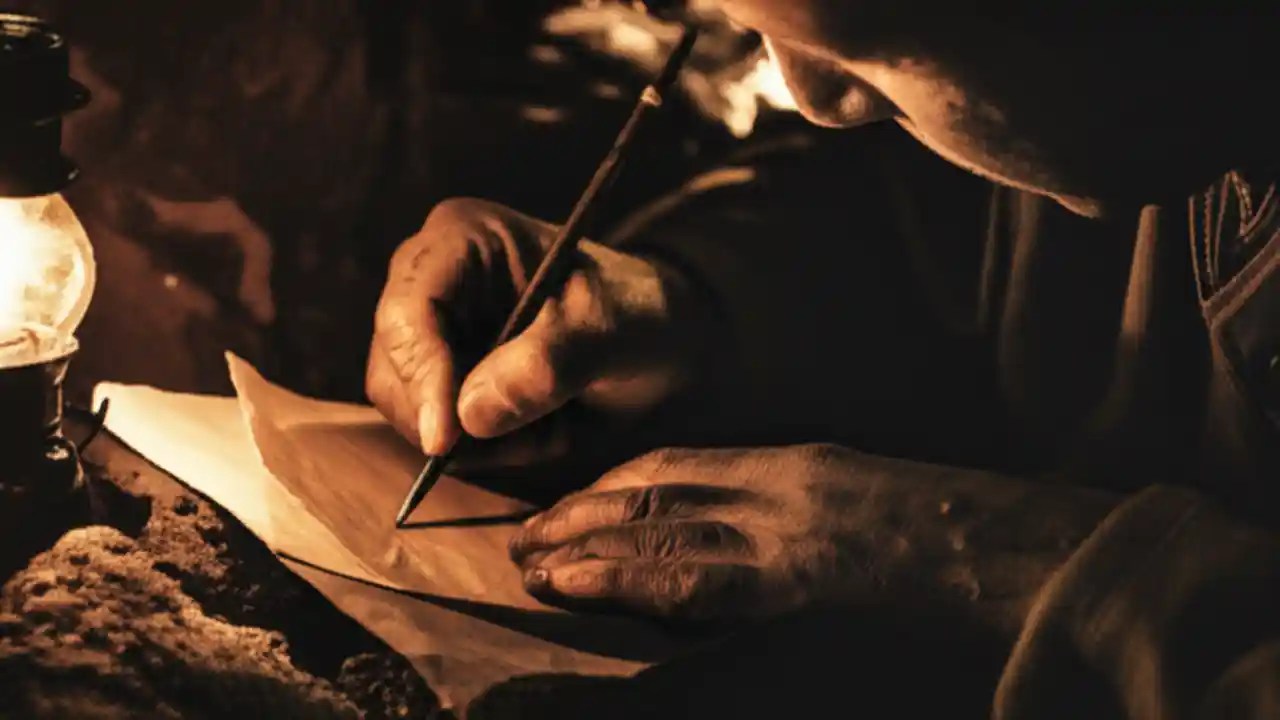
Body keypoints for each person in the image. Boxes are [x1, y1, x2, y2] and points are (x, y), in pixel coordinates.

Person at [366, 2, 1280, 717]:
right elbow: (948, 217)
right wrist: (691, 305)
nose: (820, 101)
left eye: (875, 32)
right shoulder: (1122, 84)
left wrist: (1036, 569)